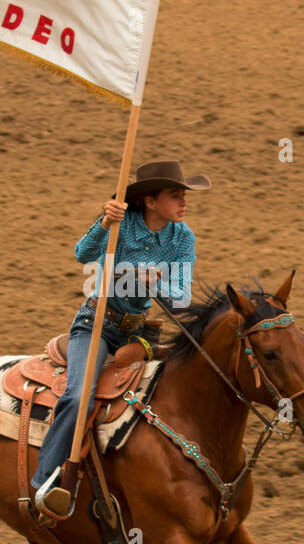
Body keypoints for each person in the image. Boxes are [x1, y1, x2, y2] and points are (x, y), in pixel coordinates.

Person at [32, 159, 211, 516]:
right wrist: (104, 223)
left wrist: (154, 283)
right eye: (175, 196)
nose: (184, 203)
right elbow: (81, 253)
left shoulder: (183, 237)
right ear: (150, 201)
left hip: (140, 332)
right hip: (97, 324)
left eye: (183, 196)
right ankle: (43, 483)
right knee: (79, 394)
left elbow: (181, 295)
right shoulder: (121, 224)